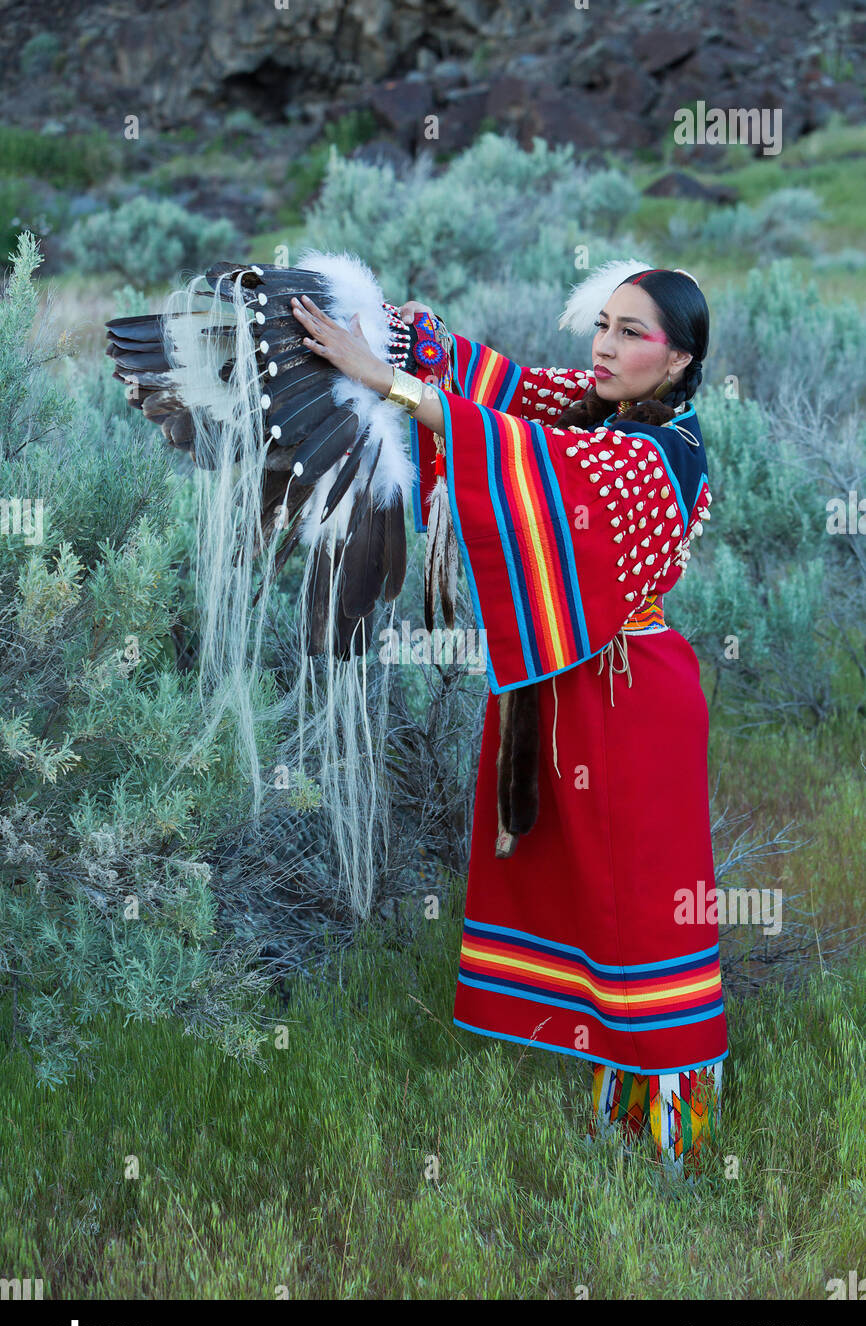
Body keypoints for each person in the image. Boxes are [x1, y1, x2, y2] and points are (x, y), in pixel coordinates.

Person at [289, 265, 727, 1177]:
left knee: (644, 904)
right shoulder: (597, 405)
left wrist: (389, 383)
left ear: (679, 358)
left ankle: (669, 1134)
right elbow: (511, 390)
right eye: (602, 325)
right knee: (585, 892)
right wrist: (397, 332)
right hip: (569, 693)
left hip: (633, 698)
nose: (605, 345)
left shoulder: (666, 454)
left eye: (632, 333)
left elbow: (531, 455)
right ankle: (618, 1100)